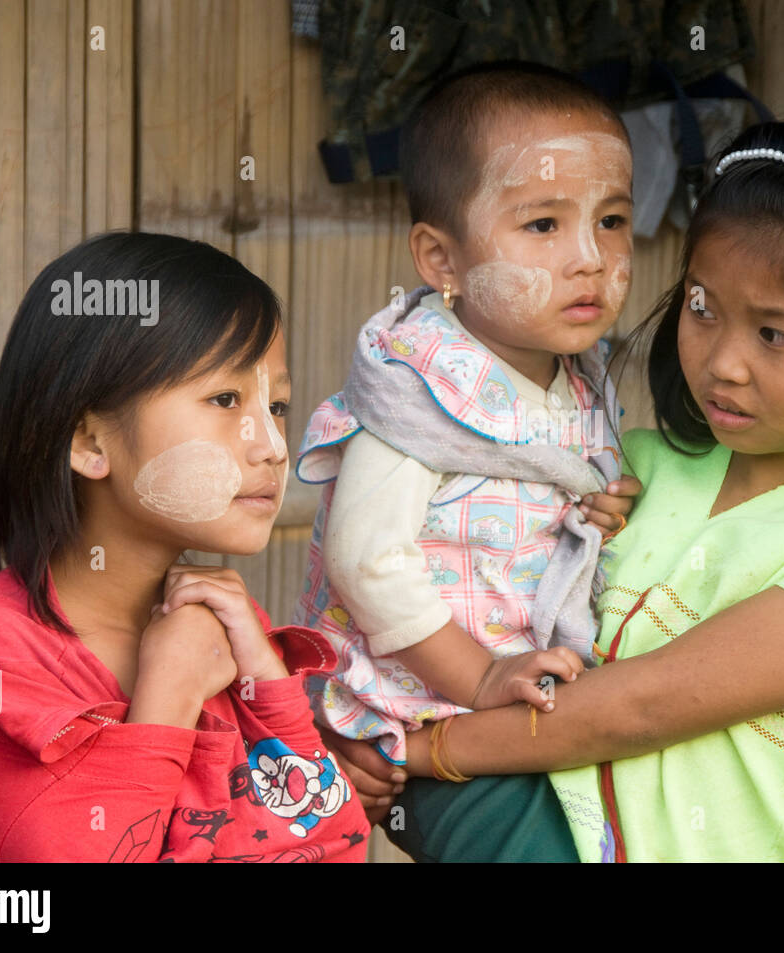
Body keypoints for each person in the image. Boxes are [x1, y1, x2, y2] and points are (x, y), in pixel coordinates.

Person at [385, 113, 784, 861]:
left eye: (775, 333)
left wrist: (413, 752)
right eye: (702, 306)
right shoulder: (633, 463)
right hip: (523, 809)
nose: (723, 361)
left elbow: (642, 705)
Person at [0, 232, 370, 862]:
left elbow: (335, 843)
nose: (272, 443)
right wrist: (170, 694)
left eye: (277, 406)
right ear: (88, 441)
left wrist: (270, 683)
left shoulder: (228, 626)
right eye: (225, 399)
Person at [292, 62, 642, 853]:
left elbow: (558, 490)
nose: (590, 257)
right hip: (427, 716)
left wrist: (601, 505)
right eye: (544, 226)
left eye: (613, 220)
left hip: (534, 711)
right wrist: (480, 676)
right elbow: (366, 557)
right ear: (441, 260)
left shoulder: (578, 373)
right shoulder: (418, 389)